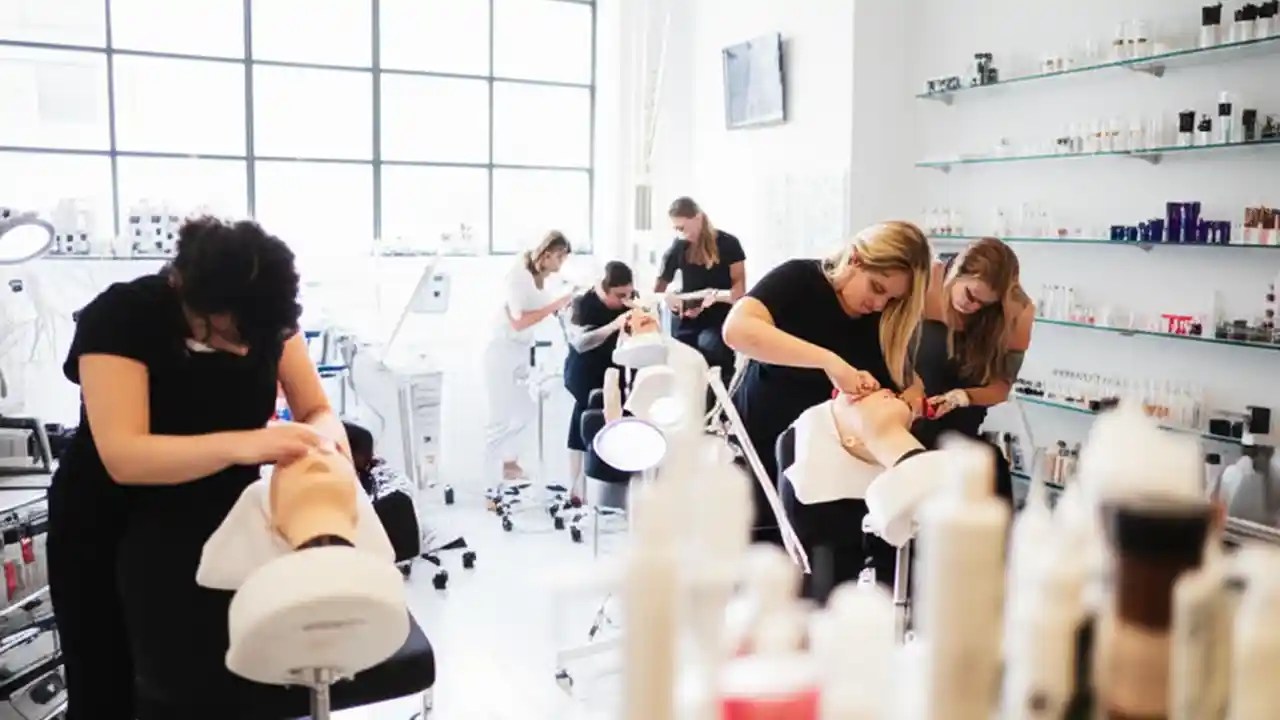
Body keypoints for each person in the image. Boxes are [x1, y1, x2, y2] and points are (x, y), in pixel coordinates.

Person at [46, 217, 347, 719]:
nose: (249, 349)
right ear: (191, 298)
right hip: (107, 525)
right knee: (110, 686)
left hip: (214, 528)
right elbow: (125, 456)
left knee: (215, 687)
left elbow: (316, 408)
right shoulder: (123, 317)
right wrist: (251, 443)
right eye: (233, 332)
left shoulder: (263, 317)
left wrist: (324, 447)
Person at [722, 221, 932, 540]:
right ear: (856, 258)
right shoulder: (800, 280)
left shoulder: (883, 320)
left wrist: (911, 399)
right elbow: (736, 330)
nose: (878, 305)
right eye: (877, 288)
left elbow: (909, 379)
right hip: (759, 458)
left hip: (829, 480)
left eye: (891, 299)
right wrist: (829, 362)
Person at [778, 389, 949, 601]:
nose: (878, 388)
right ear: (852, 441)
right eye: (857, 400)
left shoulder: (958, 467)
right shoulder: (890, 507)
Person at [912, 237, 1034, 501]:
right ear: (958, 270)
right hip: (908, 422)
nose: (972, 307)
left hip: (960, 435)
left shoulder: (1018, 311)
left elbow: (1001, 388)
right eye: (970, 295)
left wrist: (962, 397)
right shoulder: (927, 281)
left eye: (985, 304)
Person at [484, 231, 573, 489]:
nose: (561, 264)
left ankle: (509, 464)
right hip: (501, 350)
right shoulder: (518, 276)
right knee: (499, 417)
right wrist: (555, 306)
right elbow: (519, 320)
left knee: (526, 410)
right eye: (559, 257)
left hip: (520, 351)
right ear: (546, 254)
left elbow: (544, 310)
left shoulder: (541, 280)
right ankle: (490, 482)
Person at [654, 197, 746, 389]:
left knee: (711, 349)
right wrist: (669, 298)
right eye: (676, 229)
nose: (680, 233)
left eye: (682, 227)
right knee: (681, 362)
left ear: (698, 218)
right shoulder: (678, 248)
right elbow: (658, 290)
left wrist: (716, 297)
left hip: (718, 320)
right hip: (687, 321)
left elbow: (739, 291)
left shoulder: (728, 244)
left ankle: (719, 407)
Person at [563, 261, 635, 500]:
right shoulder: (583, 303)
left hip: (609, 368)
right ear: (604, 289)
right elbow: (580, 342)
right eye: (620, 295)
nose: (626, 300)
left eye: (629, 294)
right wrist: (613, 326)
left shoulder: (629, 301)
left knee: (594, 418)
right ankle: (576, 487)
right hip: (583, 370)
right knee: (582, 418)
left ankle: (585, 487)